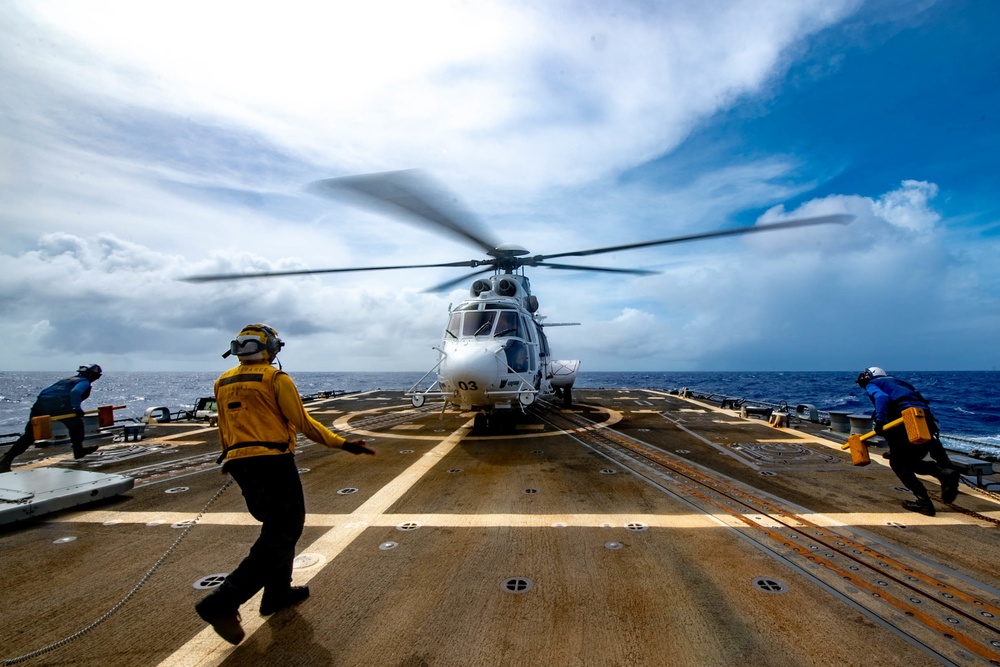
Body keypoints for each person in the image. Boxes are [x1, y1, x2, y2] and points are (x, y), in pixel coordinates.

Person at [195, 324, 375, 645]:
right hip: (273, 461)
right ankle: (223, 600)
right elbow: (303, 422)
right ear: (270, 348)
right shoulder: (275, 379)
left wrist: (231, 458)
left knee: (277, 529)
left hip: (240, 462)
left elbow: (225, 425)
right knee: (284, 531)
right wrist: (342, 443)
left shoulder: (222, 381)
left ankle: (276, 592)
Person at [856, 366, 959, 516]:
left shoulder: (873, 384)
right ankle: (943, 473)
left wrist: (880, 421)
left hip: (905, 421)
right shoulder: (900, 383)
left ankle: (924, 502)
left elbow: (881, 398)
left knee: (899, 464)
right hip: (924, 420)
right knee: (911, 461)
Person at [0, 364, 103, 473]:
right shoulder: (84, 382)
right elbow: (76, 392)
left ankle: (6, 459)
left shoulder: (67, 380)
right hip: (58, 405)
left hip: (40, 405)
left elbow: (45, 392)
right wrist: (76, 408)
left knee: (30, 435)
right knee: (76, 425)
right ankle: (78, 450)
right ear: (92, 375)